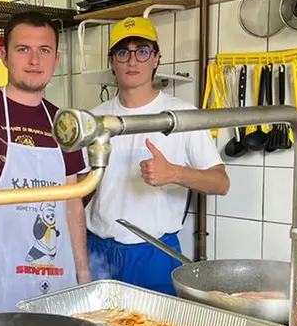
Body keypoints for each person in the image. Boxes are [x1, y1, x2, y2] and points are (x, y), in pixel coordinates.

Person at [0, 12, 89, 312]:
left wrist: (82, 273)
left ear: (56, 60)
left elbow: (72, 203)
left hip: (54, 276)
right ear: (4, 55)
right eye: (23, 49)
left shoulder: (65, 122)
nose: (34, 60)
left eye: (44, 51)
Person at [85, 17, 230, 295]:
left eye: (142, 51)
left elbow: (221, 183)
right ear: (112, 62)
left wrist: (173, 173)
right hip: (98, 251)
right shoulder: (94, 118)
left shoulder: (183, 115)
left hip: (155, 253)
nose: (132, 61)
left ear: (156, 59)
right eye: (123, 52)